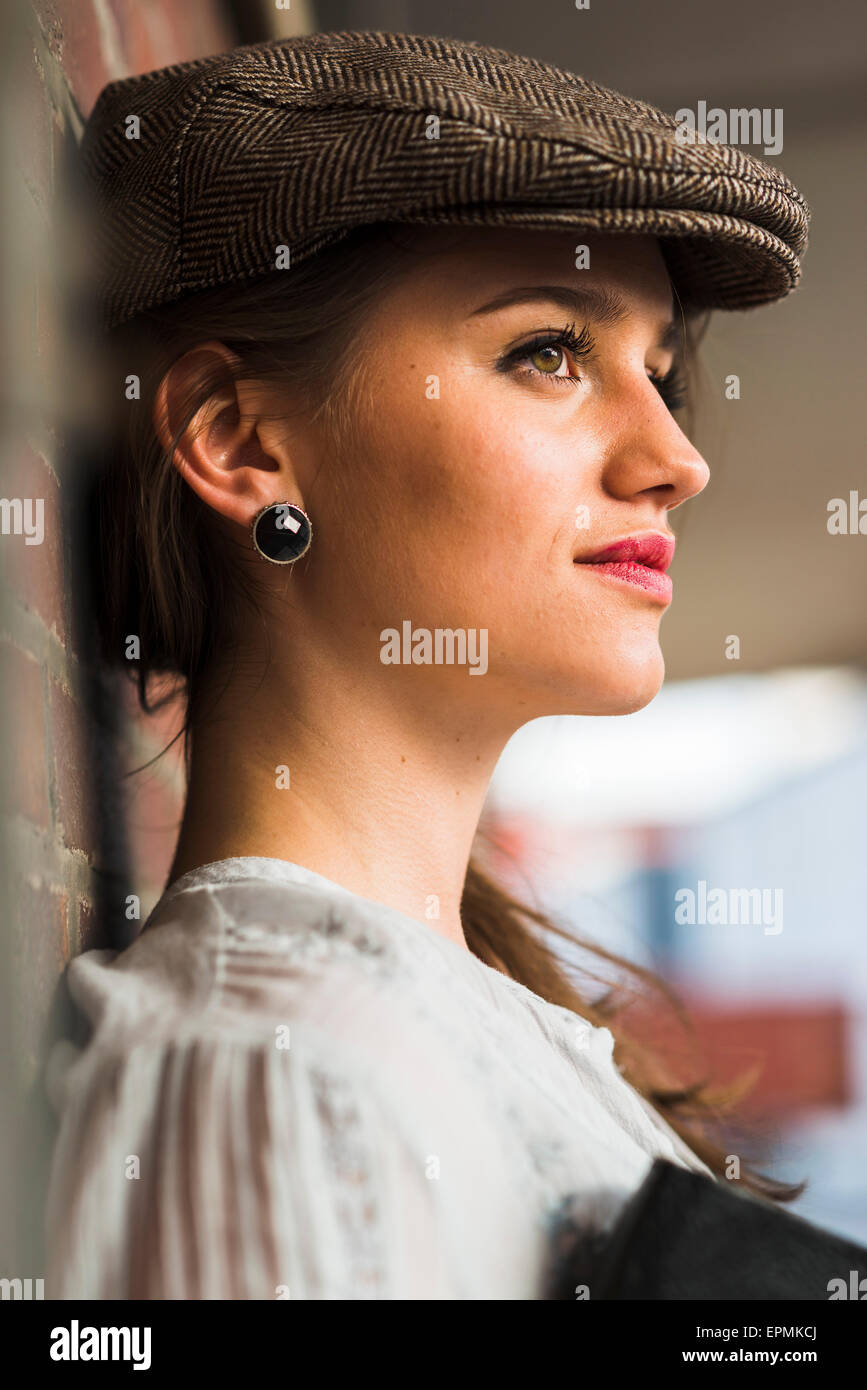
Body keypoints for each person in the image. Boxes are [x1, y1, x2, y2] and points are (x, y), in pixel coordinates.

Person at [44, 30, 810, 1300]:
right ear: (241, 443)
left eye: (661, 371)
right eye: (550, 351)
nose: (678, 456)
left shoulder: (437, 1021)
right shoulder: (278, 1078)